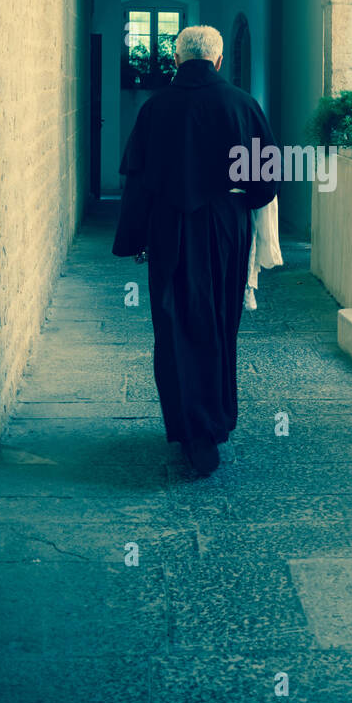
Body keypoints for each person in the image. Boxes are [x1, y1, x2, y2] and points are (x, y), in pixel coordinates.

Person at [113, 24, 280, 476]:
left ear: (177, 60)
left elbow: (139, 179)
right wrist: (234, 199)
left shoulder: (155, 108)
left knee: (174, 322)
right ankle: (215, 423)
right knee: (220, 321)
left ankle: (190, 428)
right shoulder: (243, 106)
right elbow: (264, 185)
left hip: (170, 227)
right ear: (219, 60)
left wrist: (135, 238)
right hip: (226, 228)